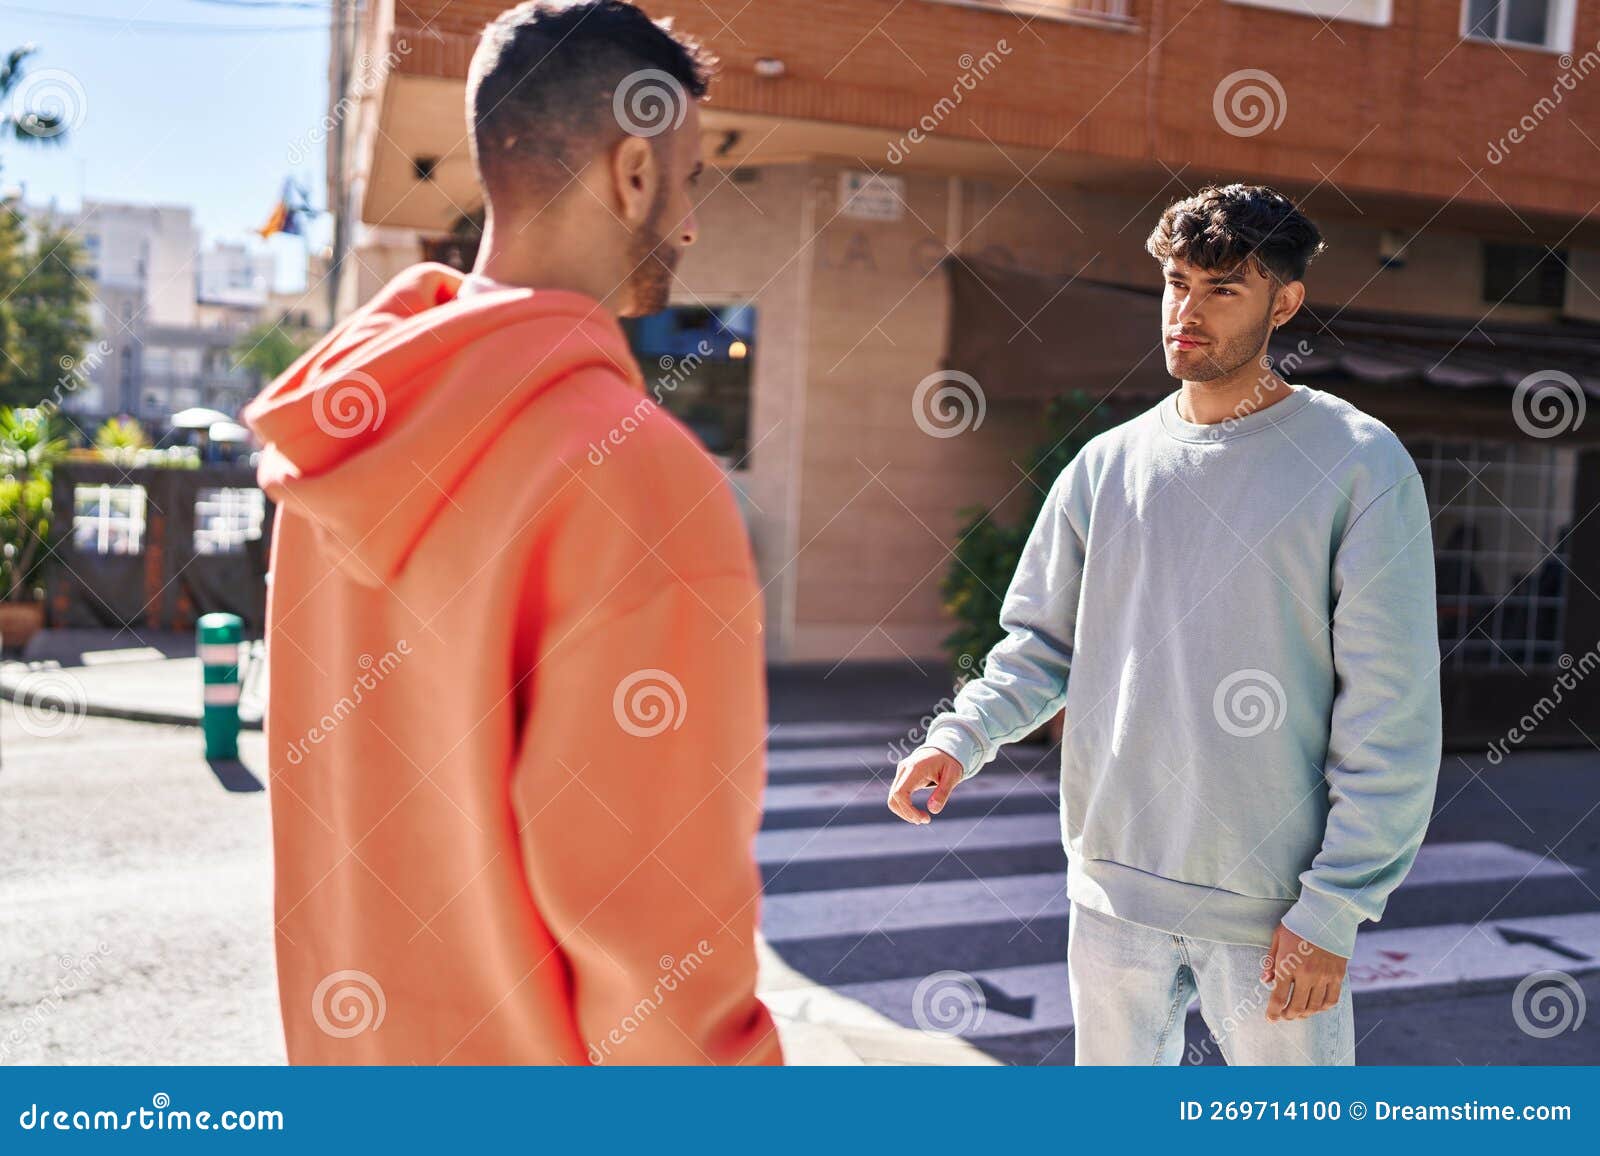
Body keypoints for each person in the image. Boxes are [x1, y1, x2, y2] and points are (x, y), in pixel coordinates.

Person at [242, 0, 780, 1066]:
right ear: (634, 173)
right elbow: (657, 951)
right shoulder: (639, 474)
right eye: (689, 183)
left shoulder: (341, 439)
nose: (689, 223)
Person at [888, 184, 1442, 1066]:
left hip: (1272, 910)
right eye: (1177, 282)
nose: (1187, 310)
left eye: (1222, 289)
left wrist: (1334, 908)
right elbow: (1041, 645)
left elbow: (1391, 707)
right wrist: (961, 737)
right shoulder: (1106, 466)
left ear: (1284, 302)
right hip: (1111, 900)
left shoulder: (1359, 463)